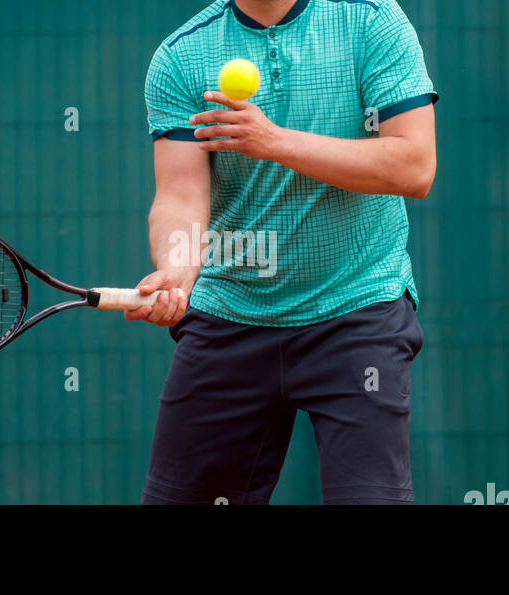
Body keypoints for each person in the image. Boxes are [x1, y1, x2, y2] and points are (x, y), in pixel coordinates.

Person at [130, 0, 436, 504]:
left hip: (355, 310)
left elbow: (414, 165)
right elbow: (180, 193)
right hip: (229, 313)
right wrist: (177, 269)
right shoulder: (182, 56)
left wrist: (273, 141)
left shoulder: (371, 20)